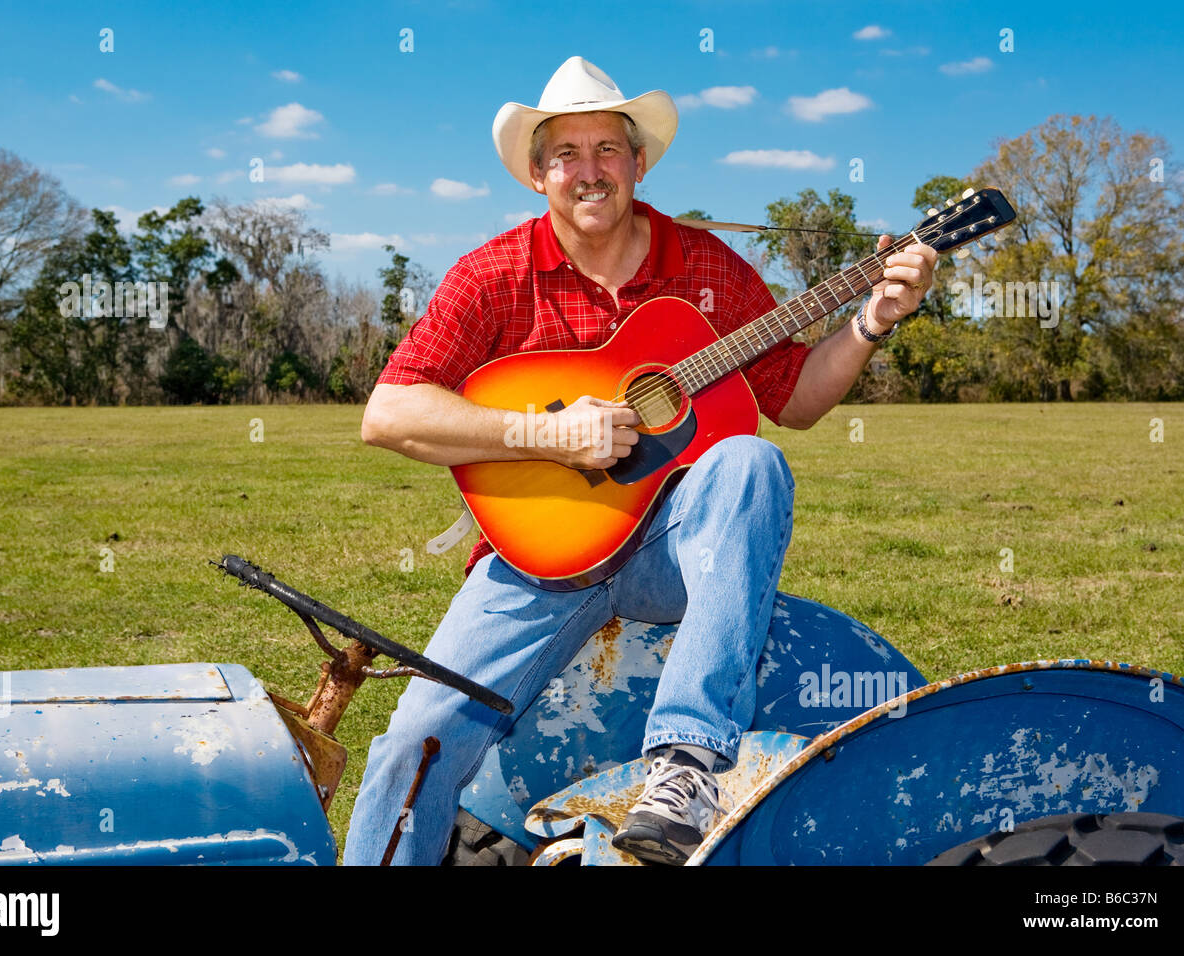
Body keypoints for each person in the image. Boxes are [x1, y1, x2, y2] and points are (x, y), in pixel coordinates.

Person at [346, 56, 936, 865]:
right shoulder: (493, 274)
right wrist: (548, 436)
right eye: (566, 154)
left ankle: (685, 765)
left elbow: (795, 399)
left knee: (749, 466)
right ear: (536, 172)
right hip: (540, 561)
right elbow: (390, 412)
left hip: (668, 553)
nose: (589, 172)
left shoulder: (705, 268)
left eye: (608, 150)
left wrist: (870, 322)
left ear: (640, 162)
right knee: (416, 743)